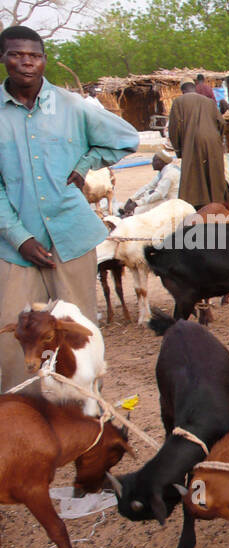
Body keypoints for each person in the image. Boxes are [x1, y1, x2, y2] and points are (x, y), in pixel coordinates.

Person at [0, 25, 138, 393]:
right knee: (15, 339)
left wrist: (84, 165)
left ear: (43, 60)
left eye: (34, 55)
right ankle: (25, 427)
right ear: (4, 58)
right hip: (14, 249)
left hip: (72, 238)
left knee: (78, 334)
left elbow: (126, 139)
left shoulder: (72, 105)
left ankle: (84, 418)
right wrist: (20, 237)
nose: (25, 62)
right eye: (16, 54)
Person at [168, 81, 229, 208]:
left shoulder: (178, 102)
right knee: (214, 172)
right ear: (194, 88)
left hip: (192, 141)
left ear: (182, 90)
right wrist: (216, 138)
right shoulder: (209, 101)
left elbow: (174, 128)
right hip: (213, 140)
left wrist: (179, 150)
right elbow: (222, 123)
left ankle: (198, 206)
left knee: (194, 174)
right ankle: (217, 202)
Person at [122, 151, 181, 216]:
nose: (152, 163)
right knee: (147, 194)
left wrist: (137, 203)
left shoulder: (169, 174)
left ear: (161, 162)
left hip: (172, 202)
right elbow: (148, 186)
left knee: (138, 211)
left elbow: (159, 194)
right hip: (165, 197)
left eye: (154, 160)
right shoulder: (163, 171)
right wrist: (132, 199)